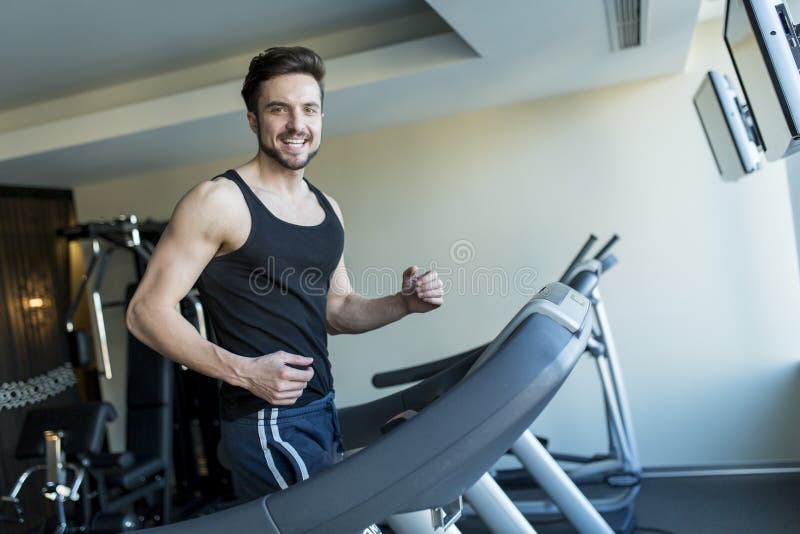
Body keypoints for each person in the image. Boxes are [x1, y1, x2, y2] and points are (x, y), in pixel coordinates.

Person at [126, 46, 444, 500]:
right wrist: (243, 372)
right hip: (265, 422)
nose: (297, 124)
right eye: (279, 109)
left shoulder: (326, 208)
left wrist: (403, 304)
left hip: (322, 407)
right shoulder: (219, 201)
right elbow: (145, 312)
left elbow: (337, 309)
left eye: (309, 109)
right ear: (254, 120)